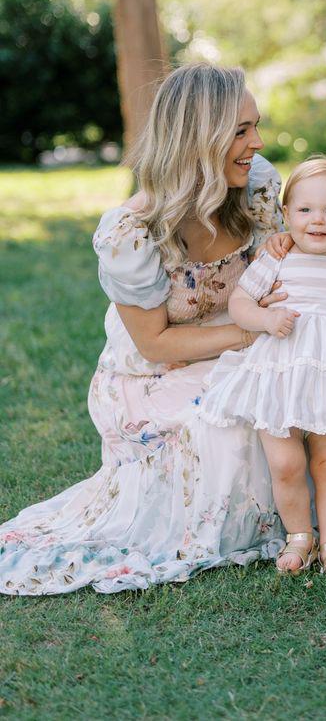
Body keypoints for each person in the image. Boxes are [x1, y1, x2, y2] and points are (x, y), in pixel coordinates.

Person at [0, 63, 288, 595]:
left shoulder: (256, 187)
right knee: (236, 421)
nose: (258, 143)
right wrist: (252, 335)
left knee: (292, 398)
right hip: (150, 376)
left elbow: (283, 274)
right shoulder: (132, 232)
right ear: (198, 139)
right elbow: (155, 343)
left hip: (235, 348)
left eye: (256, 127)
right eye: (241, 132)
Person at [201, 157, 326, 577]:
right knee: (286, 464)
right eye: (304, 210)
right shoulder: (277, 259)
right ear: (287, 215)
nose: (317, 221)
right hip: (279, 374)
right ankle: (299, 536)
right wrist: (266, 320)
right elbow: (240, 302)